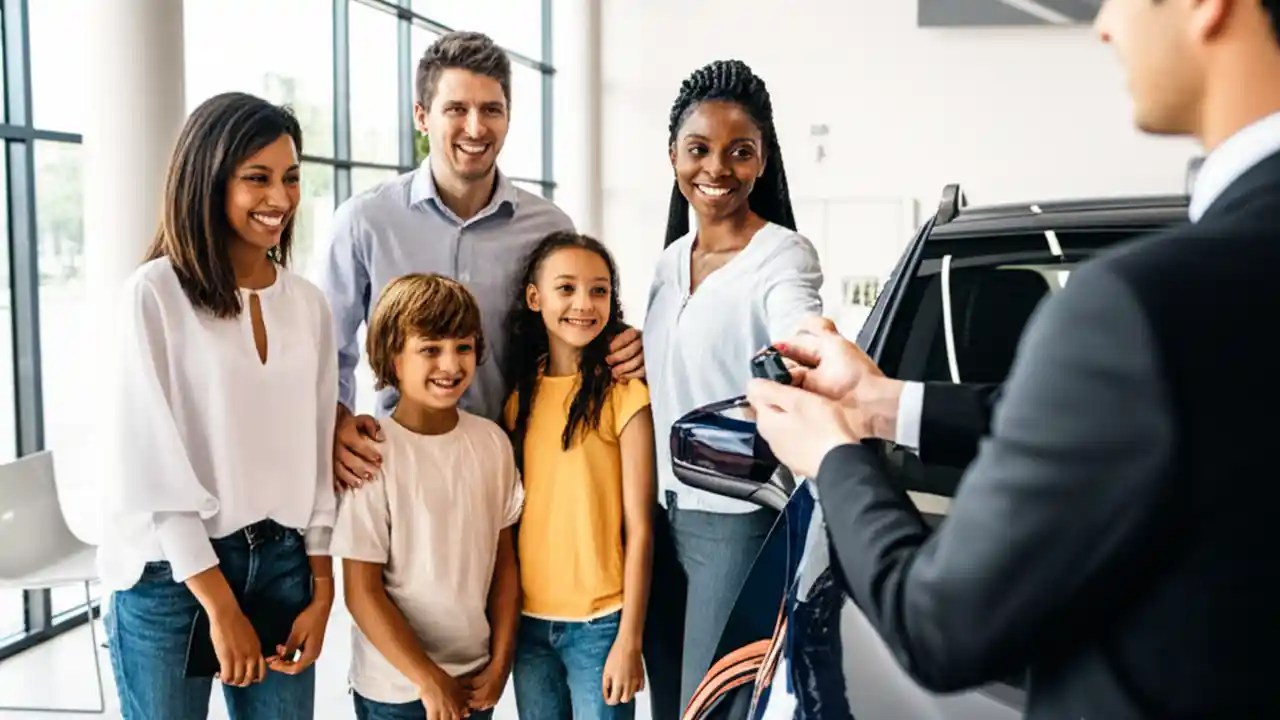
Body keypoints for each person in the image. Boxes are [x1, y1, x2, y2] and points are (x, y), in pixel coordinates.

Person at [746, 0, 1280, 716]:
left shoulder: (1137, 304)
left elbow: (938, 624)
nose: (1104, 25)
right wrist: (883, 401)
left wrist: (833, 456)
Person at [98, 92, 337, 720]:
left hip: (284, 565)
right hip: (170, 579)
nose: (280, 199)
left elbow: (316, 454)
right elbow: (152, 468)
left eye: (290, 178)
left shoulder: (308, 304)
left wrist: (322, 584)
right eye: (256, 178)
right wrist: (219, 606)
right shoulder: (153, 295)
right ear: (208, 180)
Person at [317, 30, 644, 490]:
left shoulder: (550, 228)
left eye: (492, 109)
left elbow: (576, 331)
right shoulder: (363, 221)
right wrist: (334, 420)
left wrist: (625, 347)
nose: (476, 128)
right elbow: (327, 351)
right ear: (421, 117)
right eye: (456, 109)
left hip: (516, 470)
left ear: (508, 117)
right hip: (396, 471)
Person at [642, 58, 823, 716]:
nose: (716, 169)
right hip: (655, 519)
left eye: (738, 152)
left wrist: (808, 346)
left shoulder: (782, 255)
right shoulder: (667, 263)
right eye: (699, 149)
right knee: (667, 698)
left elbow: (798, 323)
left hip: (733, 521)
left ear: (763, 160)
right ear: (673, 157)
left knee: (709, 705)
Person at [330, 273, 521, 720]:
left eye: (463, 347)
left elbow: (506, 564)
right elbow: (361, 592)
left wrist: (501, 663)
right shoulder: (372, 455)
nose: (450, 365)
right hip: (396, 690)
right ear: (394, 359)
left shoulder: (492, 443)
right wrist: (428, 679)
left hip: (474, 680)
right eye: (430, 349)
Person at [502, 232, 655, 719]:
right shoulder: (518, 400)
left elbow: (642, 526)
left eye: (599, 290)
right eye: (566, 288)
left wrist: (629, 639)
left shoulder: (624, 393)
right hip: (530, 627)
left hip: (600, 626)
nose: (584, 304)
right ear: (535, 298)